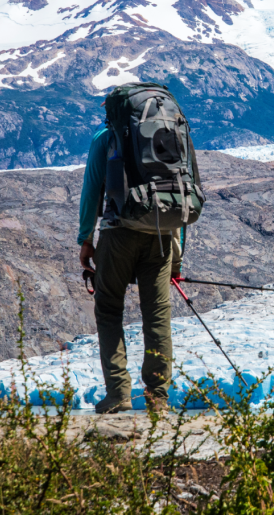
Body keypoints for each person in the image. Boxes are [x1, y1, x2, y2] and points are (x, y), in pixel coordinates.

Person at [78, 124, 179, 415]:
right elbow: (179, 193)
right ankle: (158, 397)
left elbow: (92, 188)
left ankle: (118, 393)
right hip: (161, 235)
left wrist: (86, 238)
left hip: (117, 232)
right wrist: (176, 258)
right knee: (157, 315)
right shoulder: (170, 130)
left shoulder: (106, 135)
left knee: (109, 310)